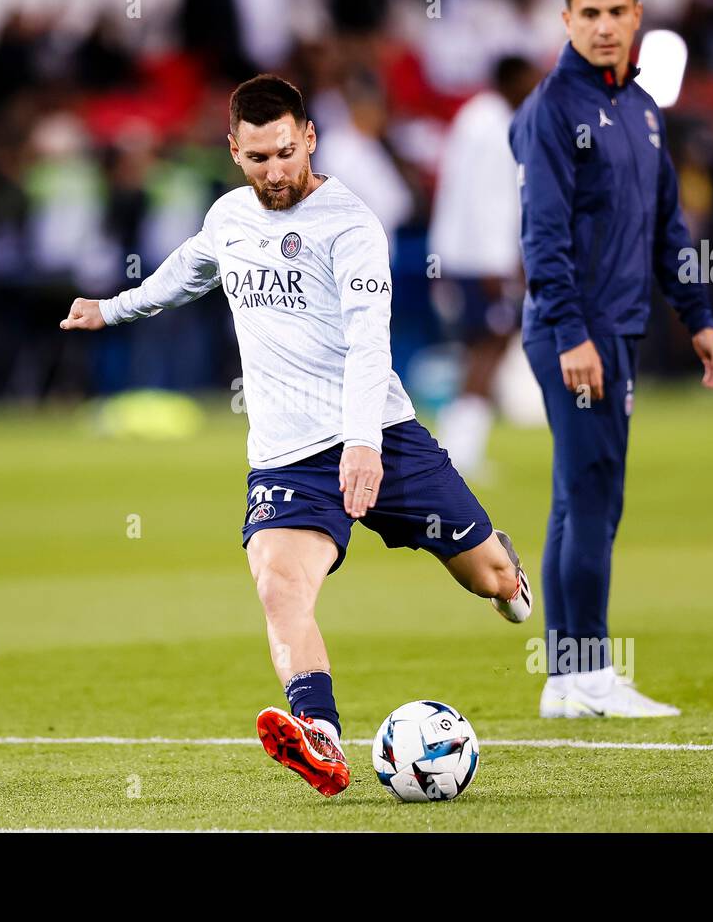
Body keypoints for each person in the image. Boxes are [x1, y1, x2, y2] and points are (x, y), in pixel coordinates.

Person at [61, 74, 532, 797]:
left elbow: (370, 339)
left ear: (308, 137)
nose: (274, 172)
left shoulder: (350, 225)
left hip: (381, 432)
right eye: (257, 159)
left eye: (285, 152)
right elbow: (184, 273)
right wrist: (110, 309)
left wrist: (364, 444)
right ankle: (320, 734)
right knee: (280, 588)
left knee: (489, 580)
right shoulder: (228, 218)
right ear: (233, 151)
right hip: (286, 457)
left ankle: (506, 570)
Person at [509, 0, 713, 718]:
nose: (604, 25)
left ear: (637, 15)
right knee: (595, 496)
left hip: (617, 328)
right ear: (565, 18)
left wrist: (697, 318)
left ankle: (567, 682)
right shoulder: (553, 108)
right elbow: (542, 236)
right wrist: (572, 332)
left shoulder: (640, 108)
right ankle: (591, 672)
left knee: (578, 497)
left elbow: (668, 226)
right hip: (577, 333)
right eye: (589, 12)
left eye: (616, 11)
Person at [429, 55, 541, 479]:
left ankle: (459, 450)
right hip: (480, 262)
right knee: (486, 347)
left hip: (466, 256)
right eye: (530, 80)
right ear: (509, 80)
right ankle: (458, 454)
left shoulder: (477, 118)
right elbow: (489, 201)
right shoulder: (492, 127)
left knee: (484, 348)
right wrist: (501, 265)